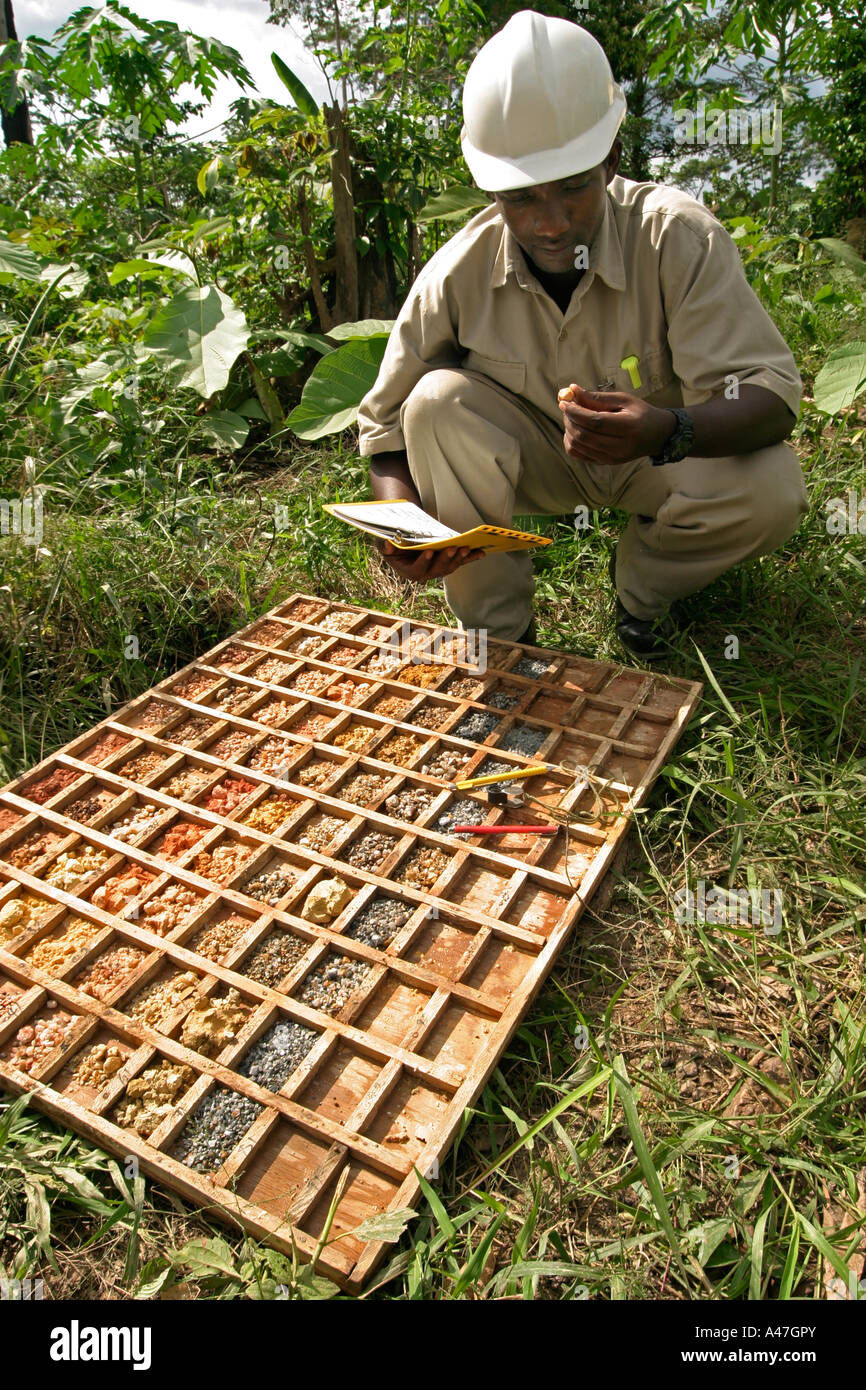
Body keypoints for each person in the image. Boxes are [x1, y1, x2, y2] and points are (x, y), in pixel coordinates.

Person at [356, 9, 808, 661]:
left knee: (771, 487)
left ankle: (639, 598)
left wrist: (668, 428)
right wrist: (398, 520)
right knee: (433, 400)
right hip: (532, 462)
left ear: (611, 160)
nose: (550, 223)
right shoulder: (459, 272)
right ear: (491, 189)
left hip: (656, 456)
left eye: (573, 189)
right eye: (521, 198)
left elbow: (771, 398)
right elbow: (385, 426)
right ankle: (502, 641)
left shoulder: (677, 238)